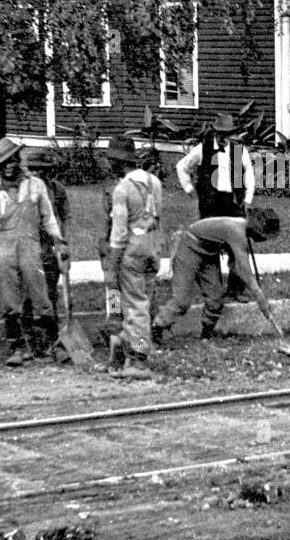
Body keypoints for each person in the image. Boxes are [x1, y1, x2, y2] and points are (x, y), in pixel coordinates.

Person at [0, 137, 68, 366]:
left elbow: (48, 217)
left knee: (40, 293)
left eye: (13, 160)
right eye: (4, 163)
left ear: (19, 160)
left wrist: (58, 240)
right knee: (11, 299)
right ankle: (18, 347)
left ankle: (54, 344)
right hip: (4, 248)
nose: (10, 165)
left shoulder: (34, 186)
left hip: (30, 245)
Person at [152, 208, 279, 345]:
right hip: (189, 247)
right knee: (182, 300)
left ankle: (206, 336)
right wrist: (261, 300)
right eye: (263, 235)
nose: (262, 239)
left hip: (210, 254)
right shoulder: (236, 231)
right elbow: (246, 271)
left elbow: (237, 266)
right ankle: (157, 329)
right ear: (256, 228)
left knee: (215, 297)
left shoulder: (242, 232)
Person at [175, 112, 257, 300]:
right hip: (210, 204)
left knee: (236, 247)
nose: (223, 138)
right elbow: (182, 167)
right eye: (220, 133)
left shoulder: (239, 150)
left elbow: (249, 176)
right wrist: (190, 190)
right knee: (209, 246)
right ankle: (212, 288)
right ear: (214, 132)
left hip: (233, 204)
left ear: (232, 134)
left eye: (227, 134)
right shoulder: (202, 149)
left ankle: (236, 289)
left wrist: (247, 200)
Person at [101, 138, 164, 380]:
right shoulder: (154, 182)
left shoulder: (122, 189)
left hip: (132, 253)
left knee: (134, 305)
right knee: (144, 302)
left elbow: (118, 234)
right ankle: (126, 350)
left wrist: (111, 266)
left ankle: (139, 360)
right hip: (153, 247)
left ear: (117, 163)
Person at [22, 147, 73, 359]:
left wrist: (64, 243)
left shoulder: (57, 190)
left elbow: (66, 216)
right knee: (27, 296)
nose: (37, 175)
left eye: (42, 171)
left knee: (50, 294)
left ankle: (53, 341)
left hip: (49, 247)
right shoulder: (23, 190)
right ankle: (29, 342)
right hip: (28, 247)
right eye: (33, 170)